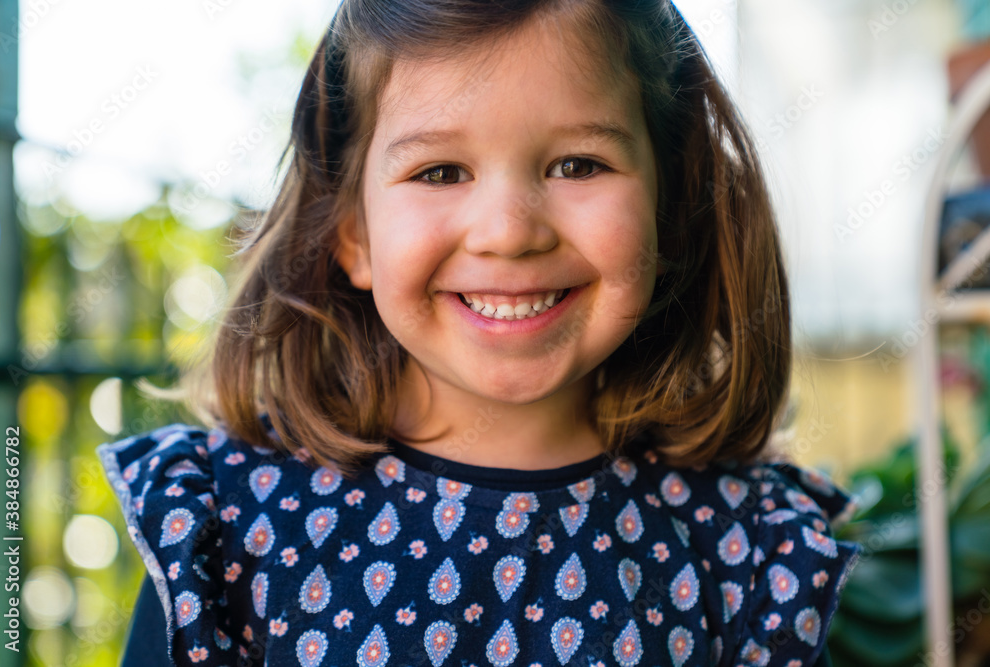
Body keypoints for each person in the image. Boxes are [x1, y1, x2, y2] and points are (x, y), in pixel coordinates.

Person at [96, 0, 861, 665]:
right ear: (353, 231)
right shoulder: (228, 527)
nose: (508, 232)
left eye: (577, 164)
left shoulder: (745, 546)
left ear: (672, 201)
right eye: (439, 172)